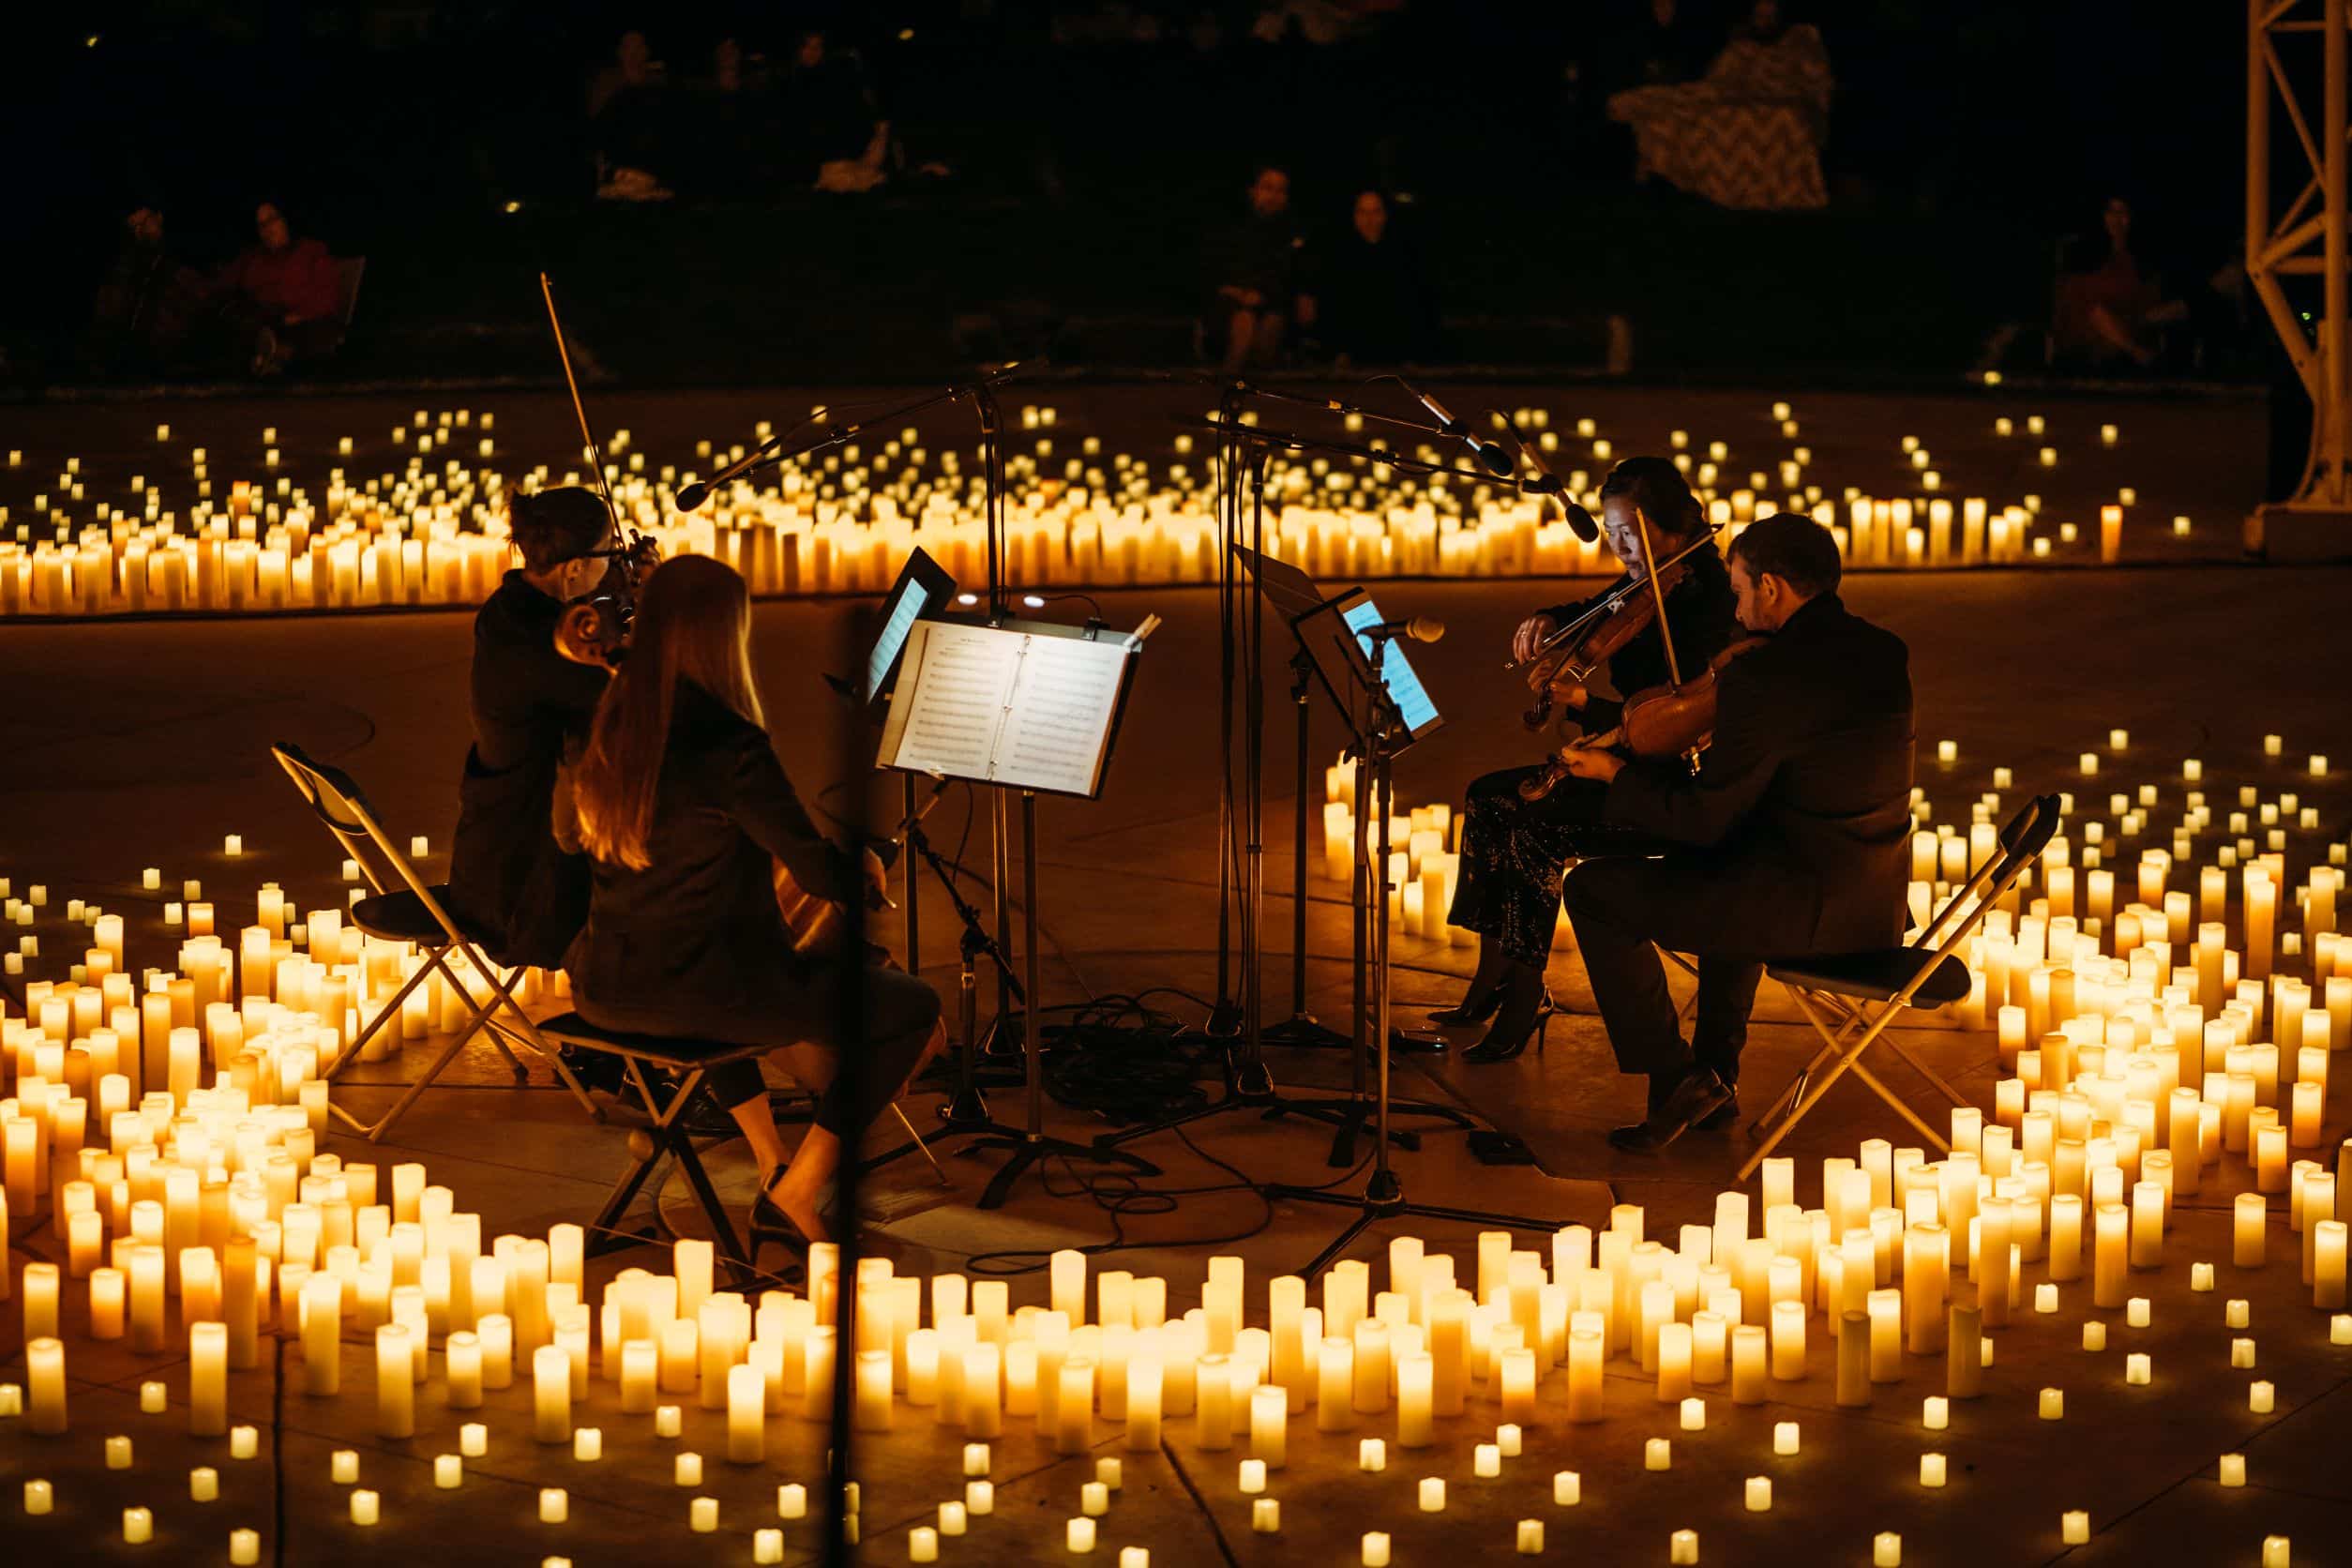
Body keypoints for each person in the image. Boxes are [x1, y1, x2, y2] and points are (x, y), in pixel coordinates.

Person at [555, 556, 944, 1247]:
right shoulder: (729, 743)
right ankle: (799, 1189)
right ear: (723, 636)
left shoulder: (610, 720)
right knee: (910, 1008)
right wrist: (865, 864)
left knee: (708, 958)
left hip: (604, 985)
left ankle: (771, 1159)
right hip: (701, 996)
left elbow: (588, 836)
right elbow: (820, 875)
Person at [1557, 512, 1914, 1153]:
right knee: (1733, 867)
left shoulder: (1766, 674)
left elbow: (1701, 817)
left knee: (1593, 891)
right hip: (1874, 904)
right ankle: (1715, 1075)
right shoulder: (1884, 651)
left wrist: (1615, 773)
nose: (1738, 604)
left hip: (1809, 916)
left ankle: (1679, 1076)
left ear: (1772, 587)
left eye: (1742, 587)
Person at [1436, 458, 1740, 1063]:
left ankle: (1526, 998)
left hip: (1664, 785)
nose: (1617, 546)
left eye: (1629, 532)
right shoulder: (1648, 582)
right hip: (1623, 759)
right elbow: (1597, 608)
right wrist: (1549, 619)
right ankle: (1492, 976)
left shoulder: (1706, 602)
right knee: (1488, 797)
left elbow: (1664, 726)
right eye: (1611, 531)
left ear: (1671, 527)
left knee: (1532, 829)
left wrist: (1586, 704)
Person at [445, 488, 618, 971]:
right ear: (574, 568)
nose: (616, 561)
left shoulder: (509, 609)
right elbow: (620, 691)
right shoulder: (548, 643)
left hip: (488, 853)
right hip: (525, 886)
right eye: (609, 553)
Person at [2053, 196, 2190, 370]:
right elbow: (2081, 298)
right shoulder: (2086, 256)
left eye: (2123, 212)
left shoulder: (2140, 258)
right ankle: (2135, 351)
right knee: (2097, 313)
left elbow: (2147, 296)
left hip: (2131, 319)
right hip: (2093, 326)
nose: (2117, 219)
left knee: (2180, 308)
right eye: (2111, 212)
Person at [212, 201, 342, 373]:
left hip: (304, 320)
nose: (267, 229)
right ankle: (268, 355)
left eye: (272, 220)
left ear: (285, 220)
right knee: (238, 321)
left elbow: (328, 297)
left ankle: (275, 355)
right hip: (266, 321)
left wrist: (296, 317)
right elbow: (224, 285)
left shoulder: (312, 251)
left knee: (316, 332)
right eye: (261, 225)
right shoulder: (254, 258)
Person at [1314, 190, 1437, 366]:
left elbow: (1415, 304)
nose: (1369, 219)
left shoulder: (1404, 255)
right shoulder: (1338, 256)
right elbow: (1333, 306)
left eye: (1375, 212)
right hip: (1353, 347)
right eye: (1363, 212)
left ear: (1385, 215)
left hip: (1396, 346)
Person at [1210, 165, 1313, 371]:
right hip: (1230, 304)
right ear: (1253, 191)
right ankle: (1226, 388)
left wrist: (1264, 294)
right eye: (1267, 188)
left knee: (1271, 326)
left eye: (1280, 190)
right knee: (1244, 322)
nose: (1273, 195)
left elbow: (1294, 277)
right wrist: (1241, 294)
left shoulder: (1294, 234)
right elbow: (1215, 272)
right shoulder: (1231, 228)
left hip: (1275, 305)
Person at [87, 204, 208, 375]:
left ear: (158, 217)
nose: (139, 232)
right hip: (136, 351)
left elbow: (199, 298)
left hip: (172, 348)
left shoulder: (182, 257)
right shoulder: (127, 265)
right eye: (134, 227)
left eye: (144, 223)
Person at [782, 29, 891, 192]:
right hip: (813, 156)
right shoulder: (790, 82)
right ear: (798, 49)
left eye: (818, 47)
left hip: (839, 152)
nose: (813, 52)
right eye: (808, 46)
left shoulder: (830, 78)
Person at [591, 30, 678, 201]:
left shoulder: (658, 84)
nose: (634, 53)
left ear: (646, 52)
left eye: (639, 47)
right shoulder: (606, 84)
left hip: (652, 165)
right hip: (619, 166)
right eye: (629, 47)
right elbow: (598, 128)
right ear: (620, 52)